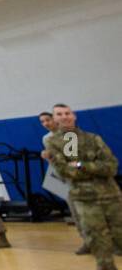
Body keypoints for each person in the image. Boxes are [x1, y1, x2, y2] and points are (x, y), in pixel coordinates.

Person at [43, 103, 122, 270]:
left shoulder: (93, 138)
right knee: (102, 253)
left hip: (112, 197)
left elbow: (112, 166)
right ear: (55, 119)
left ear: (74, 116)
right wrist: (88, 166)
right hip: (86, 203)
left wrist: (80, 165)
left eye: (67, 113)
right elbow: (67, 172)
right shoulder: (54, 143)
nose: (64, 117)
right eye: (59, 114)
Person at [41, 109, 90, 254]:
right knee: (76, 213)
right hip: (66, 180)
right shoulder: (46, 138)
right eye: (42, 122)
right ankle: (87, 242)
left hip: (81, 179)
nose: (45, 124)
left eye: (47, 120)